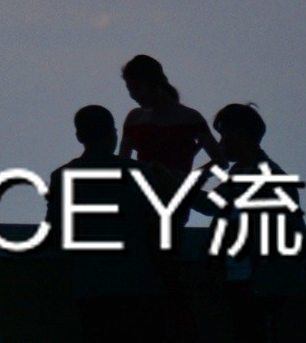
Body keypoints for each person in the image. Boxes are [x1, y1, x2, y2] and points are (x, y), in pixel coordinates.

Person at [117, 57, 212, 342]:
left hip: (172, 200)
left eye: (135, 87)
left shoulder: (189, 118)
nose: (133, 94)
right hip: (144, 197)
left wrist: (183, 180)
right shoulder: (136, 118)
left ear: (152, 84)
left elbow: (219, 161)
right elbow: (122, 163)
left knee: (161, 266)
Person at [51, 103, 163, 341]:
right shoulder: (138, 172)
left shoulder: (62, 176)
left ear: (79, 136)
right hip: (137, 283)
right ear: (112, 133)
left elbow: (56, 231)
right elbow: (157, 224)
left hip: (90, 286)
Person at [206, 102, 306, 342]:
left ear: (239, 135)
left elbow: (211, 204)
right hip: (243, 279)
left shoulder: (267, 177)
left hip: (260, 283)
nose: (220, 144)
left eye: (223, 136)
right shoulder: (242, 172)